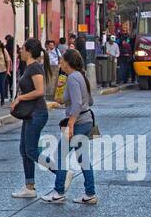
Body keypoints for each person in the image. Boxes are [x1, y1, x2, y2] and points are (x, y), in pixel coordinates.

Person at [44, 47, 98, 205]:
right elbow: (89, 101)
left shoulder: (73, 78)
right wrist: (61, 100)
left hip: (78, 122)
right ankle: (90, 193)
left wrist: (71, 124)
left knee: (59, 155)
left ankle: (58, 191)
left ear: (67, 63)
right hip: (86, 120)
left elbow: (77, 104)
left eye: (62, 60)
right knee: (83, 159)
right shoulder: (79, 76)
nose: (60, 62)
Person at [10, 38, 51, 199]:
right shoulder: (29, 67)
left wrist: (20, 98)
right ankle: (30, 186)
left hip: (37, 113)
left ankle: (60, 171)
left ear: (28, 51)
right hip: (29, 114)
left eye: (22, 49)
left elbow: (40, 91)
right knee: (24, 150)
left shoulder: (35, 68)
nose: (19, 51)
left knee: (31, 151)